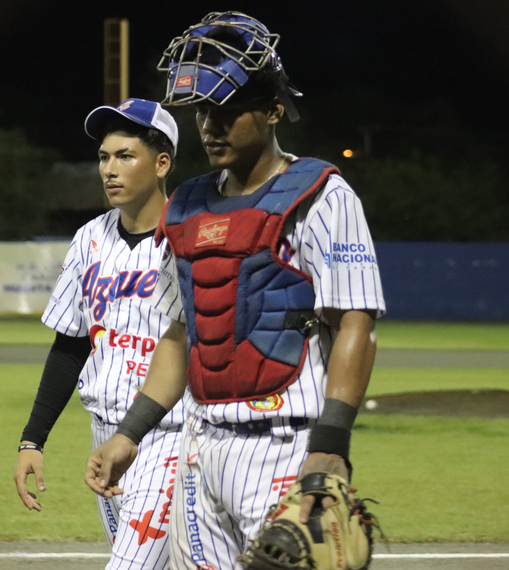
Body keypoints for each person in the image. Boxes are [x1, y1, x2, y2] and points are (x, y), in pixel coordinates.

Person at [85, 12, 385, 570]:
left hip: (285, 447)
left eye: (227, 110)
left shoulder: (322, 195)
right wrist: (129, 434)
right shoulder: (188, 205)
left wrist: (331, 444)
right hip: (199, 449)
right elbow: (179, 336)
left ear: (273, 110)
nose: (210, 126)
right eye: (202, 111)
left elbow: (356, 324)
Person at [14, 98, 184, 570]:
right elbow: (72, 344)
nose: (110, 169)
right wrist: (33, 440)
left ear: (161, 162)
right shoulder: (90, 239)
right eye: (104, 157)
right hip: (104, 436)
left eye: (125, 156)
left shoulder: (190, 240)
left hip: (170, 437)